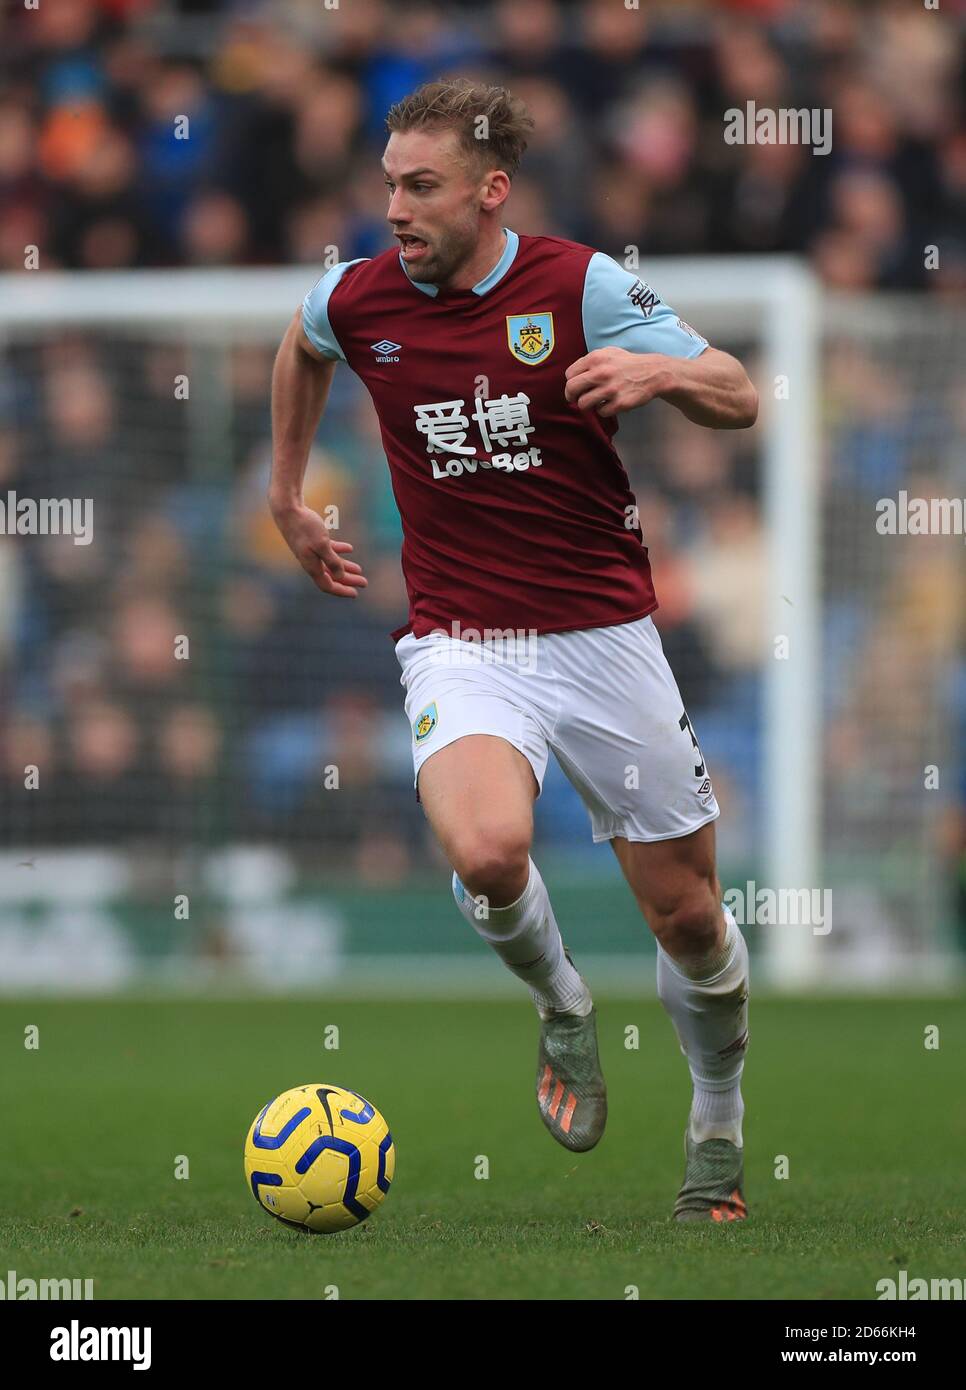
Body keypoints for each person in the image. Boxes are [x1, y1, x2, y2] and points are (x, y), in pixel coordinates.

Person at [269, 78, 758, 1222]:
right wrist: (286, 495)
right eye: (388, 183)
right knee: (489, 850)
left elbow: (737, 389)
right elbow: (300, 345)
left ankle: (719, 1120)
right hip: (462, 640)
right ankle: (562, 1004)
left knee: (687, 916)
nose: (395, 207)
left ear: (492, 193)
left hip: (606, 639)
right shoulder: (362, 297)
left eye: (421, 186)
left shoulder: (579, 285)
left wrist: (662, 371)